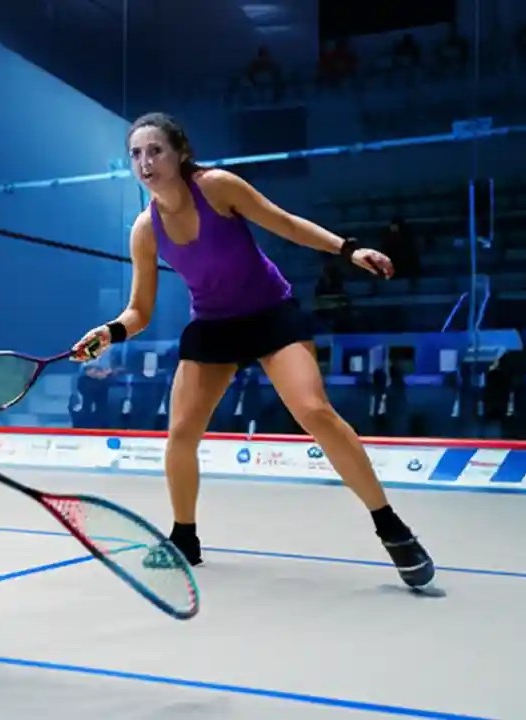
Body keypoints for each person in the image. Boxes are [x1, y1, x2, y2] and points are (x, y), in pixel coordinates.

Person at [71, 112, 436, 592]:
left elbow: (284, 223)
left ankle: (391, 527)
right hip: (213, 326)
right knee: (180, 433)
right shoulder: (145, 229)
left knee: (314, 412)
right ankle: (184, 538)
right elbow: (139, 310)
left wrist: (348, 250)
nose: (145, 162)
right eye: (136, 154)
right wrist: (109, 332)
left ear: (181, 153)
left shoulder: (217, 187)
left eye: (155, 150)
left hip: (270, 315)